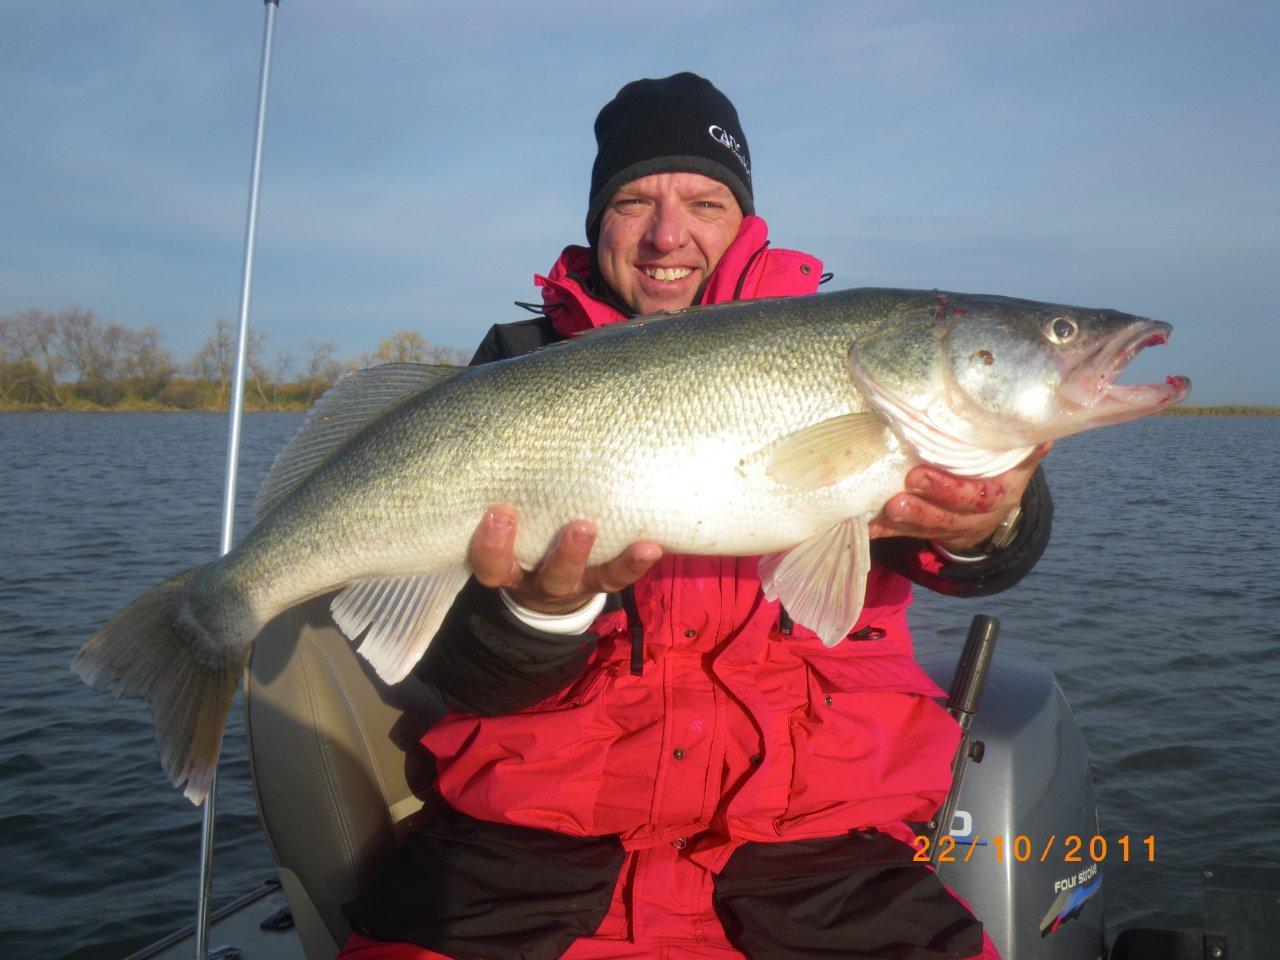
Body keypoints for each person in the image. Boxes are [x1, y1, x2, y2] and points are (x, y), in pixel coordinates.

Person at [339, 72, 1051, 960]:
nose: (667, 235)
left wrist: (990, 524)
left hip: (824, 864)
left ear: (743, 217)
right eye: (634, 201)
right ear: (598, 222)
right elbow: (468, 674)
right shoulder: (509, 375)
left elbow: (981, 543)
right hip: (529, 865)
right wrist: (540, 613)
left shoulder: (859, 357)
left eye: (703, 201)